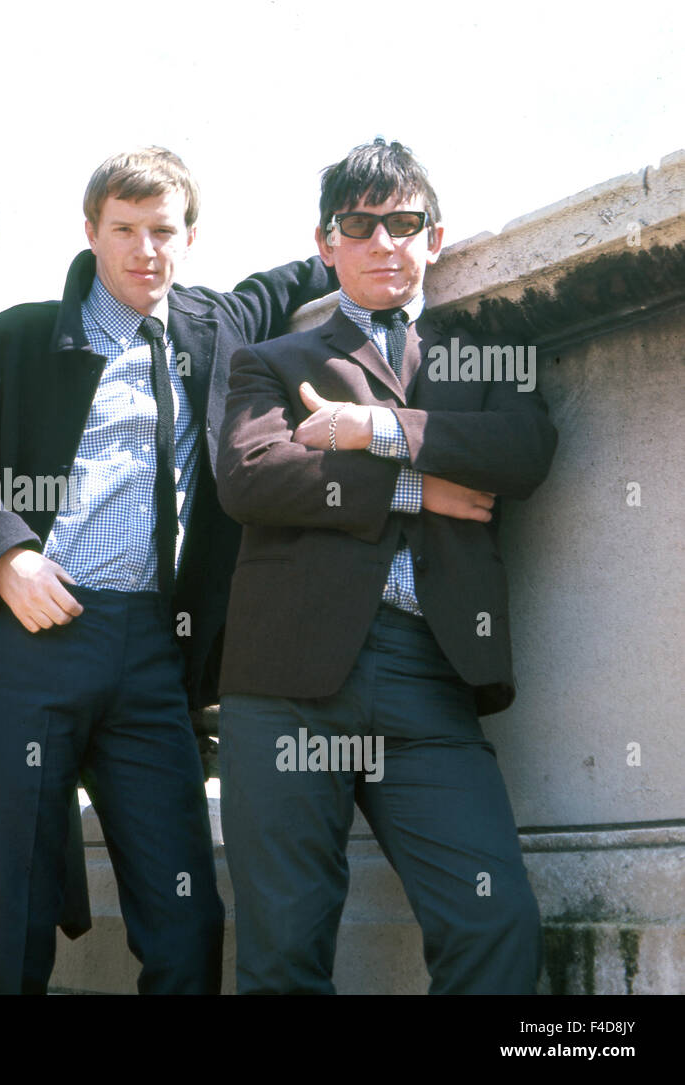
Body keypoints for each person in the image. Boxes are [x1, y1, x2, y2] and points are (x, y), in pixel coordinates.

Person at [0, 146, 335, 994]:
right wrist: (5, 557)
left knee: (186, 918)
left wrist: (361, 236)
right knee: (13, 915)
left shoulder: (213, 327)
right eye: (125, 230)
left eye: (163, 231)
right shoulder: (18, 339)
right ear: (91, 233)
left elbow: (288, 282)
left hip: (153, 655)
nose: (146, 249)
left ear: (190, 236)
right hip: (34, 638)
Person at [215, 138, 558, 994]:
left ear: (434, 239)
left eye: (404, 223)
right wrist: (418, 491)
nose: (383, 242)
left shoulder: (478, 349)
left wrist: (369, 432)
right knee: (283, 953)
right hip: (287, 686)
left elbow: (522, 449)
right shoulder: (272, 360)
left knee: (495, 923)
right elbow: (252, 475)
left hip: (428, 680)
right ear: (327, 243)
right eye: (360, 225)